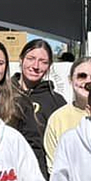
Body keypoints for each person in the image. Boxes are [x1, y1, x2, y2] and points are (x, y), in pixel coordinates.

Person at [13, 39, 67, 174]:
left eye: (43, 62)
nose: (36, 66)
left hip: (41, 175)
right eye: (31, 59)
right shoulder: (3, 94)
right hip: (7, 173)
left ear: (49, 66)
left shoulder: (56, 101)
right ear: (21, 59)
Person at [42, 56, 91, 162]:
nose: (88, 81)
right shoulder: (58, 118)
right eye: (82, 76)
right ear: (70, 80)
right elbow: (54, 164)